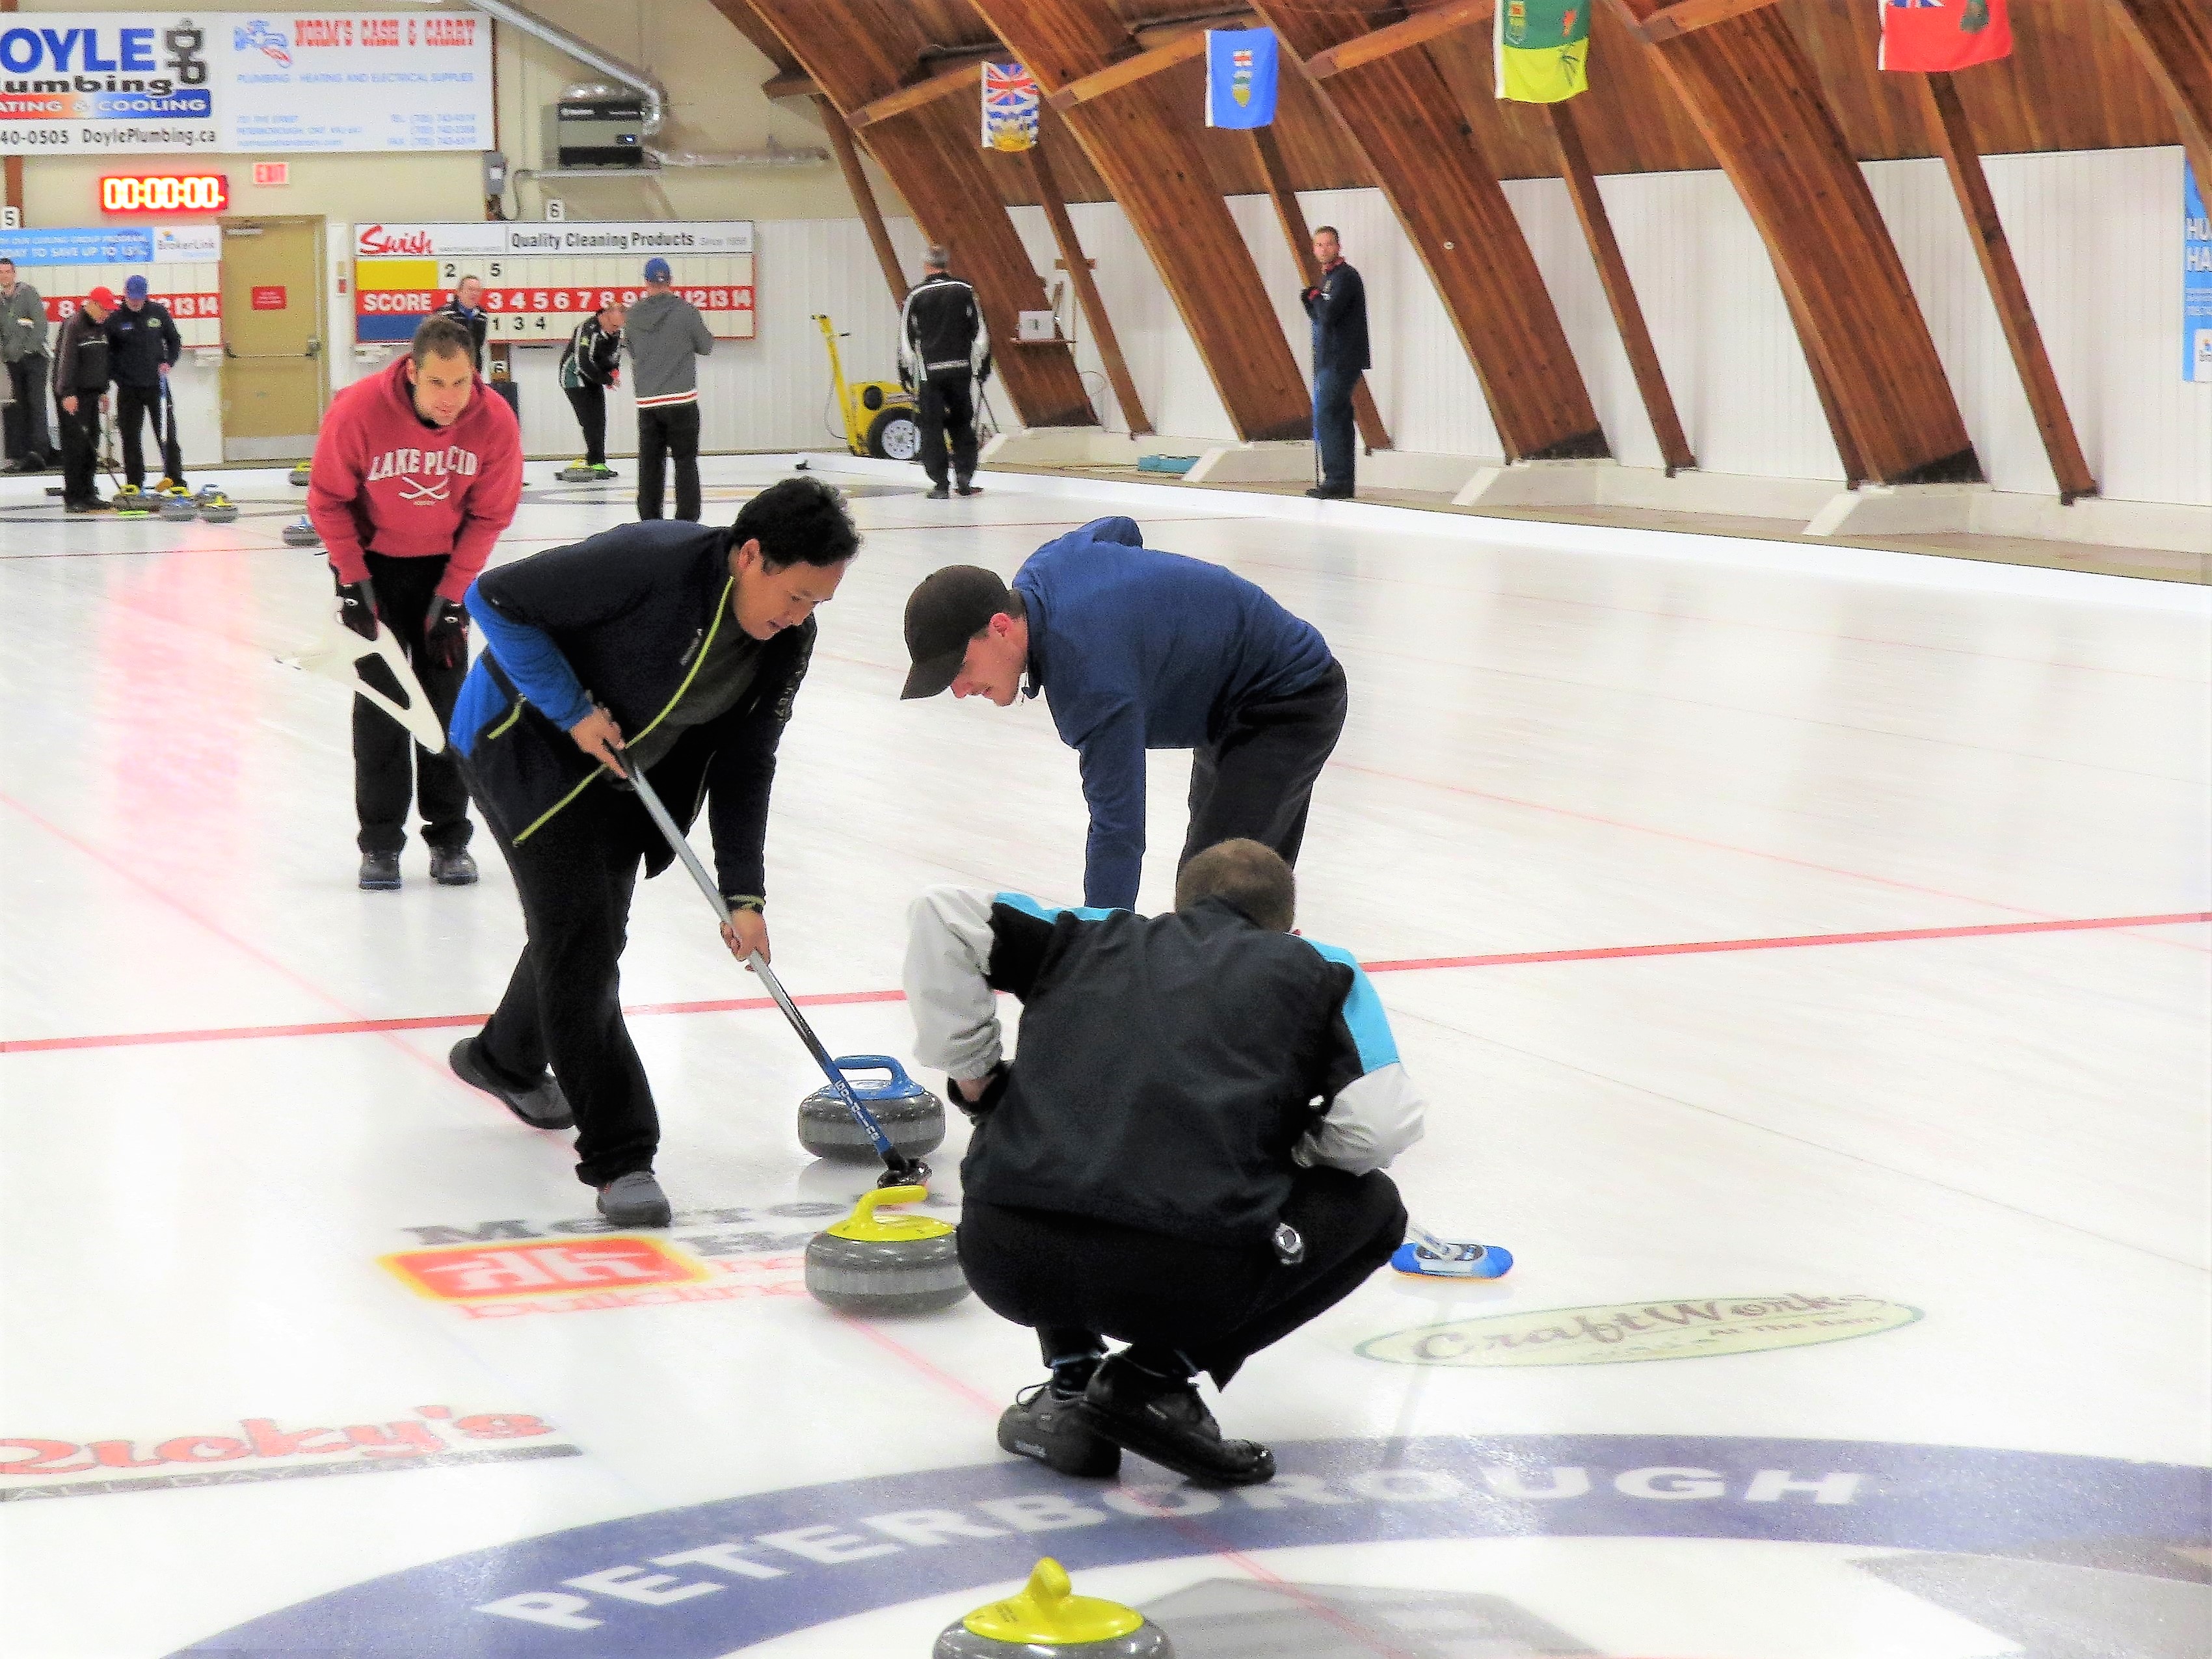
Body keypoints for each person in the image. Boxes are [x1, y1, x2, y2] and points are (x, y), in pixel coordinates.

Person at [903, 839, 1420, 1486]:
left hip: (1004, 1256)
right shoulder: (1318, 966)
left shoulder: (1085, 937)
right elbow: (1379, 1126)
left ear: (1176, 906)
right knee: (1374, 1207)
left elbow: (940, 911)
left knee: (1059, 1124)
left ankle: (1070, 1388)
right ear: (1288, 927)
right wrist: (1289, 1151)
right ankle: (1152, 1378)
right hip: (1183, 1276)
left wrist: (975, 1074)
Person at [443, 477, 858, 1227]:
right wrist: (570, 711)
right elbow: (495, 598)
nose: (798, 618)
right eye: (794, 596)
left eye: (815, 606)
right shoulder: (650, 561)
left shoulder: (784, 641)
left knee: (587, 932)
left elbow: (745, 762)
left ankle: (503, 1057)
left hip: (623, 774)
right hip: (523, 748)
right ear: (751, 555)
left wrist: (745, 895)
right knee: (582, 944)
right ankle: (621, 1155)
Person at [899, 517, 1348, 912]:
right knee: (1212, 881)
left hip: (1288, 699)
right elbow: (1120, 527)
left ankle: (1273, 980)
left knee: (1219, 893)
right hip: (1231, 698)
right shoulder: (1044, 567)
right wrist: (1143, 613)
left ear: (1000, 627)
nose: (959, 691)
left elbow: (1118, 830)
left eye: (959, 669)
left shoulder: (1089, 676)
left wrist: (1100, 942)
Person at [306, 313, 524, 891]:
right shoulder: (358, 409)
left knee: (446, 709)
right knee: (381, 708)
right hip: (372, 570)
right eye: (437, 384)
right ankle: (379, 844)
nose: (451, 398)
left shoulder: (494, 419)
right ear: (411, 372)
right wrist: (352, 582)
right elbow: (327, 500)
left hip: (441, 573)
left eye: (462, 383)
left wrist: (453, 598)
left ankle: (450, 838)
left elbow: (491, 514)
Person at [623, 258, 713, 522]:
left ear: (646, 282)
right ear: (670, 281)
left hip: (648, 402)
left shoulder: (634, 315)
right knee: (685, 461)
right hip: (682, 400)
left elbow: (632, 349)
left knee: (650, 462)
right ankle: (686, 519)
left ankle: (650, 518)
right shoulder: (686, 311)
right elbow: (706, 346)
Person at [898, 245, 990, 500]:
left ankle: (940, 484)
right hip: (961, 370)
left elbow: (907, 340)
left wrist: (906, 373)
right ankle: (964, 478)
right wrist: (982, 367)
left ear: (926, 265)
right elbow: (980, 333)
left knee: (932, 428)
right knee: (962, 424)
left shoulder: (916, 296)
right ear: (948, 264)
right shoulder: (965, 291)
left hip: (931, 373)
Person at [1299, 226, 1368, 501]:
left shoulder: (1345, 278)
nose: (1323, 249)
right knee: (1336, 416)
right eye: (1318, 245)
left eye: (1328, 244)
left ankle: (1337, 479)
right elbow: (1320, 318)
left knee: (1327, 414)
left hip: (1341, 359)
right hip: (1330, 358)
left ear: (1337, 246)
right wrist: (1312, 300)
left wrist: (1313, 297)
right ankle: (1341, 480)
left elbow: (1328, 315)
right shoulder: (1329, 279)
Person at [104, 274, 185, 498]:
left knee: (167, 434)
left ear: (146, 295)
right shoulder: (116, 320)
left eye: (140, 298)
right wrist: (115, 376)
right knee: (130, 436)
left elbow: (174, 340)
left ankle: (175, 478)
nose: (136, 302)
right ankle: (134, 482)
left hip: (156, 386)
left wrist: (169, 362)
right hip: (129, 387)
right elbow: (106, 352)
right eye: (132, 298)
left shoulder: (158, 313)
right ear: (125, 294)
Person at [54, 287, 115, 514]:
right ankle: (74, 496)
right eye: (104, 310)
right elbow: (65, 362)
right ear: (93, 304)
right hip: (73, 396)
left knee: (92, 444)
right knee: (75, 447)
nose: (106, 315)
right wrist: (67, 393)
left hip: (92, 394)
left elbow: (101, 363)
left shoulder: (101, 329)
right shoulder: (74, 326)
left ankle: (89, 493)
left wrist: (103, 391)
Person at [557, 301, 624, 477]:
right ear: (604, 316)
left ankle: (597, 462)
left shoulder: (615, 331)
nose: (615, 330)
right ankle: (595, 461)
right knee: (590, 421)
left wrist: (613, 372)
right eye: (613, 325)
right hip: (575, 377)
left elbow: (614, 357)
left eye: (618, 326)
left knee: (600, 420)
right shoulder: (587, 329)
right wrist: (606, 379)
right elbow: (583, 363)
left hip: (593, 378)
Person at [1, 256, 54, 472]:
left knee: (36, 403)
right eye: (1, 272)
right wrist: (6, 352)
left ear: (14, 274)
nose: (4, 275)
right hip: (13, 362)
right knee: (19, 406)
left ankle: (40, 452)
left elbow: (41, 324)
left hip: (35, 359)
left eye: (7, 271)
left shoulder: (28, 294)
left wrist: (28, 349)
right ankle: (22, 455)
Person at [436, 274, 489, 373]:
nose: (474, 293)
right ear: (459, 292)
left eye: (478, 290)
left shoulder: (482, 315)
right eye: (470, 289)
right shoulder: (443, 314)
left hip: (473, 368)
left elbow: (479, 345)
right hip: (448, 367)